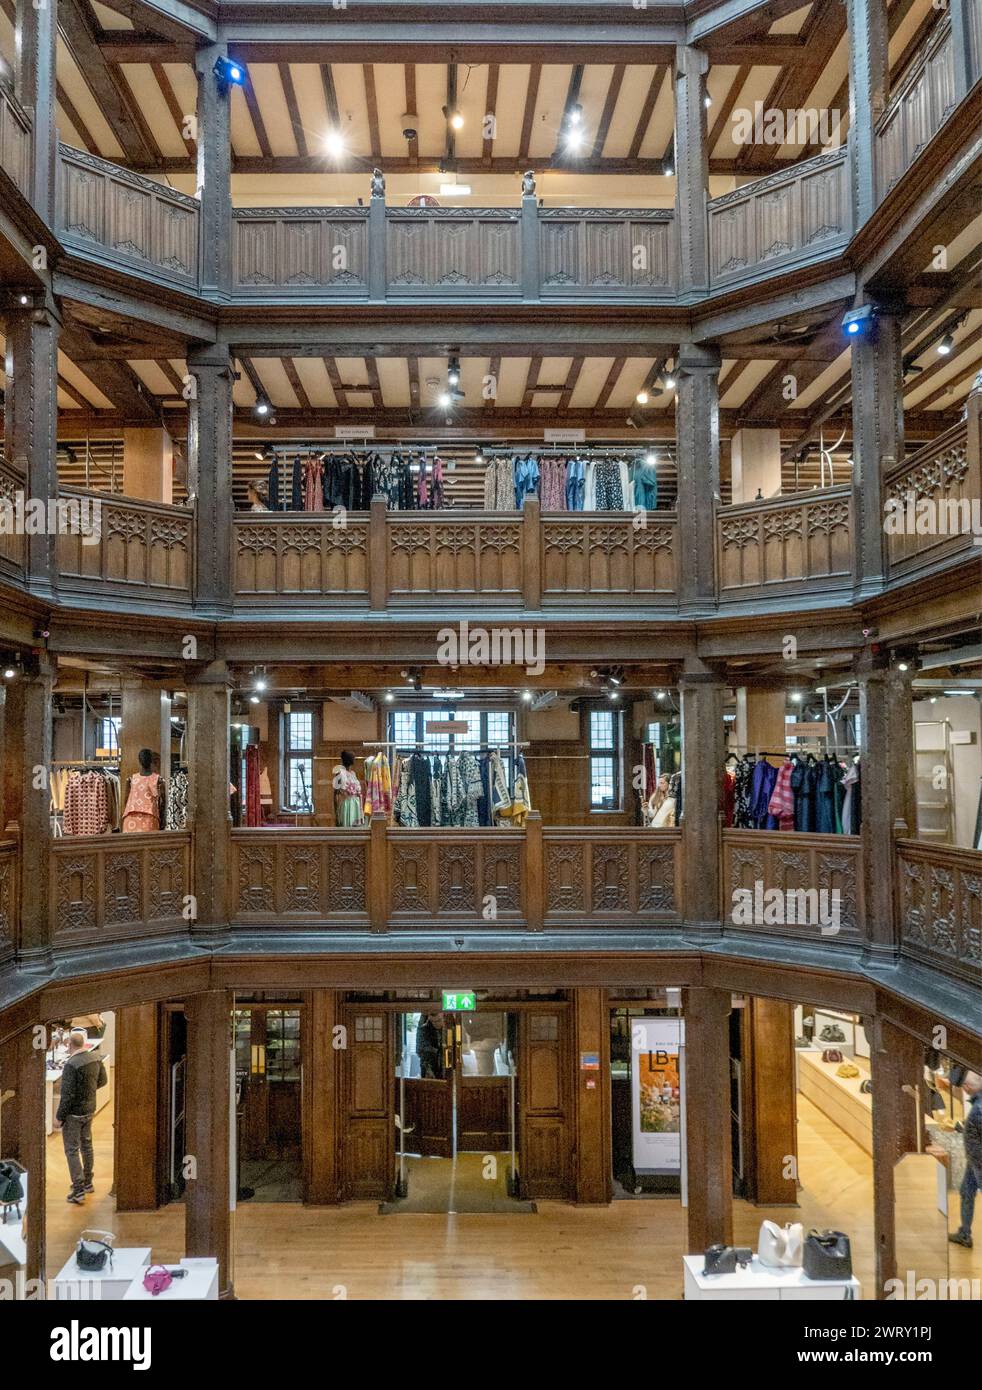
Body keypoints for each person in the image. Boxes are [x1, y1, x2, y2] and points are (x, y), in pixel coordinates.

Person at [54, 1030, 108, 1205]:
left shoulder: (71, 1065)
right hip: (89, 1109)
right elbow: (102, 1081)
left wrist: (59, 1117)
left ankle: (78, 1190)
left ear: (70, 1045)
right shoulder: (95, 1058)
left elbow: (67, 1095)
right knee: (87, 1145)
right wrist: (88, 1093)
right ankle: (88, 1182)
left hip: (74, 1114)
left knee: (72, 1150)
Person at [949, 1070, 982, 1249]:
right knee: (966, 1192)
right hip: (974, 1162)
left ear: (968, 1087)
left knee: (967, 1193)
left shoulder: (978, 1110)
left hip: (979, 1163)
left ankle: (964, 1234)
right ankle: (964, 1234)